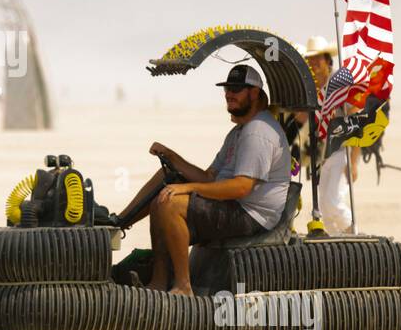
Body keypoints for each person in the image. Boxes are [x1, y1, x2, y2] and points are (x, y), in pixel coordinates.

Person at [113, 64, 290, 295]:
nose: (229, 94)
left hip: (250, 214)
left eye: (236, 90)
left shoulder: (258, 132)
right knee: (166, 181)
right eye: (227, 89)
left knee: (170, 202)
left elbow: (242, 187)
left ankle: (184, 286)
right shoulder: (239, 131)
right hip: (235, 205)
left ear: (254, 93)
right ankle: (127, 234)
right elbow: (209, 177)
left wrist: (186, 188)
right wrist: (172, 157)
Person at [294, 36, 358, 232]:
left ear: (327, 60)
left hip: (342, 152)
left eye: (317, 59)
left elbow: (355, 120)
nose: (313, 64)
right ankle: (336, 247)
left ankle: (354, 235)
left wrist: (354, 161)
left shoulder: (338, 85)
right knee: (323, 207)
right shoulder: (312, 89)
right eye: (310, 60)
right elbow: (302, 118)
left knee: (333, 202)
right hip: (323, 155)